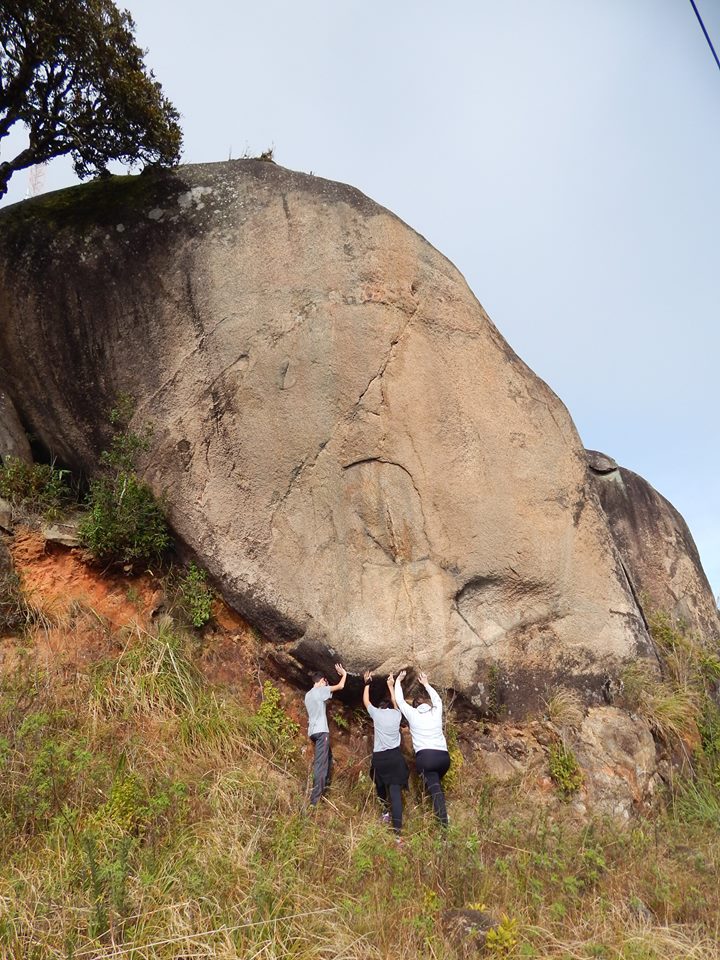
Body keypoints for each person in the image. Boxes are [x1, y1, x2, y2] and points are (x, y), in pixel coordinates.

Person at [394, 670, 451, 827]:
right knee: (436, 784)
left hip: (426, 758)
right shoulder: (435, 712)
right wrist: (426, 684)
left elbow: (399, 700)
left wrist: (398, 681)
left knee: (435, 789)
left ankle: (443, 822)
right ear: (426, 703)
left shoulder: (413, 714)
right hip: (443, 758)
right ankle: (441, 808)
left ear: (415, 706)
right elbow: (438, 700)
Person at [363, 670, 409, 838]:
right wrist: (391, 686)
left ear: (381, 707)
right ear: (389, 707)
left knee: (380, 785)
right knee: (395, 793)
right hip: (395, 757)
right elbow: (396, 703)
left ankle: (384, 813)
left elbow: (366, 701)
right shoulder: (396, 715)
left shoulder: (376, 714)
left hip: (380, 758)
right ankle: (397, 833)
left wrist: (367, 683)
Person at [304, 662, 347, 806]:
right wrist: (344, 674)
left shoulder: (308, 695)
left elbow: (326, 698)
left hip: (313, 732)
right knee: (321, 764)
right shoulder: (320, 691)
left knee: (327, 758)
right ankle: (314, 800)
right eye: (324, 682)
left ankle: (325, 785)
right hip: (322, 732)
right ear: (321, 681)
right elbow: (340, 686)